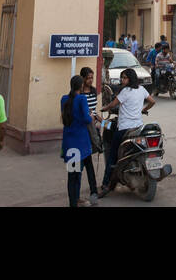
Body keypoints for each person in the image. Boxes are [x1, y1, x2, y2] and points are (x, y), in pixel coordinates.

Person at [98, 68, 154, 196]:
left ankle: (106, 185)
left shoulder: (125, 91)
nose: (122, 80)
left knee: (112, 155)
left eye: (124, 78)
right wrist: (143, 110)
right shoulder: (141, 89)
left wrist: (104, 108)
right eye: (121, 78)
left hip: (124, 129)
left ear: (130, 78)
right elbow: (152, 101)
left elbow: (113, 105)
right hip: (139, 128)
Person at [61, 74, 99, 207]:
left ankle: (74, 200)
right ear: (81, 86)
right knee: (77, 175)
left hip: (69, 142)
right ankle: (74, 201)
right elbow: (87, 119)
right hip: (81, 143)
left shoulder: (64, 99)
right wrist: (91, 117)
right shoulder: (82, 99)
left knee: (72, 174)